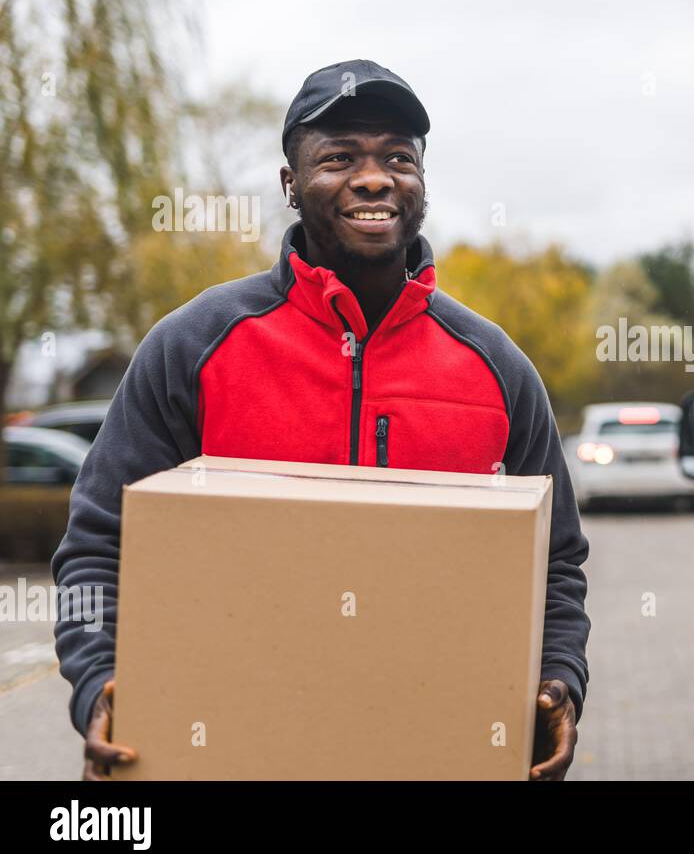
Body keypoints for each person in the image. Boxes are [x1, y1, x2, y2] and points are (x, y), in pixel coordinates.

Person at [51, 59, 591, 781]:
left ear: (421, 182)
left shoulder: (496, 367)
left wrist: (558, 679)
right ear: (289, 185)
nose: (374, 178)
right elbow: (96, 547)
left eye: (398, 157)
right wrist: (97, 682)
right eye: (339, 158)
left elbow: (554, 564)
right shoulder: (193, 346)